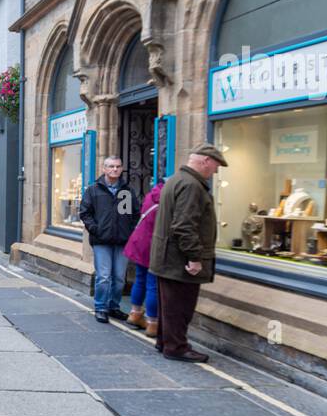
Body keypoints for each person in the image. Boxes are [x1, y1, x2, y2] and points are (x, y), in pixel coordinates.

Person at [150, 144, 228, 363]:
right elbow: (184, 225)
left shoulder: (176, 179)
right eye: (215, 166)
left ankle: (165, 342)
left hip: (167, 257)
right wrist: (194, 258)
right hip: (179, 260)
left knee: (169, 305)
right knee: (180, 307)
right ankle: (176, 347)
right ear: (205, 161)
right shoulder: (192, 185)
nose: (215, 171)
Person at [78, 156, 137, 324]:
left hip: (121, 241)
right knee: (104, 276)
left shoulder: (126, 191)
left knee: (119, 278)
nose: (115, 169)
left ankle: (113, 307)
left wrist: (129, 232)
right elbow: (85, 213)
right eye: (111, 166)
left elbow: (134, 214)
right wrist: (97, 230)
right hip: (101, 241)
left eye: (118, 166)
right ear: (104, 169)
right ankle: (101, 308)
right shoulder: (94, 190)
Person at [123, 181, 163, 339]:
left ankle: (135, 314)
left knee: (140, 279)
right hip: (154, 244)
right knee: (153, 284)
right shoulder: (167, 198)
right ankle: (153, 323)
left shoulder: (151, 195)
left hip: (140, 243)